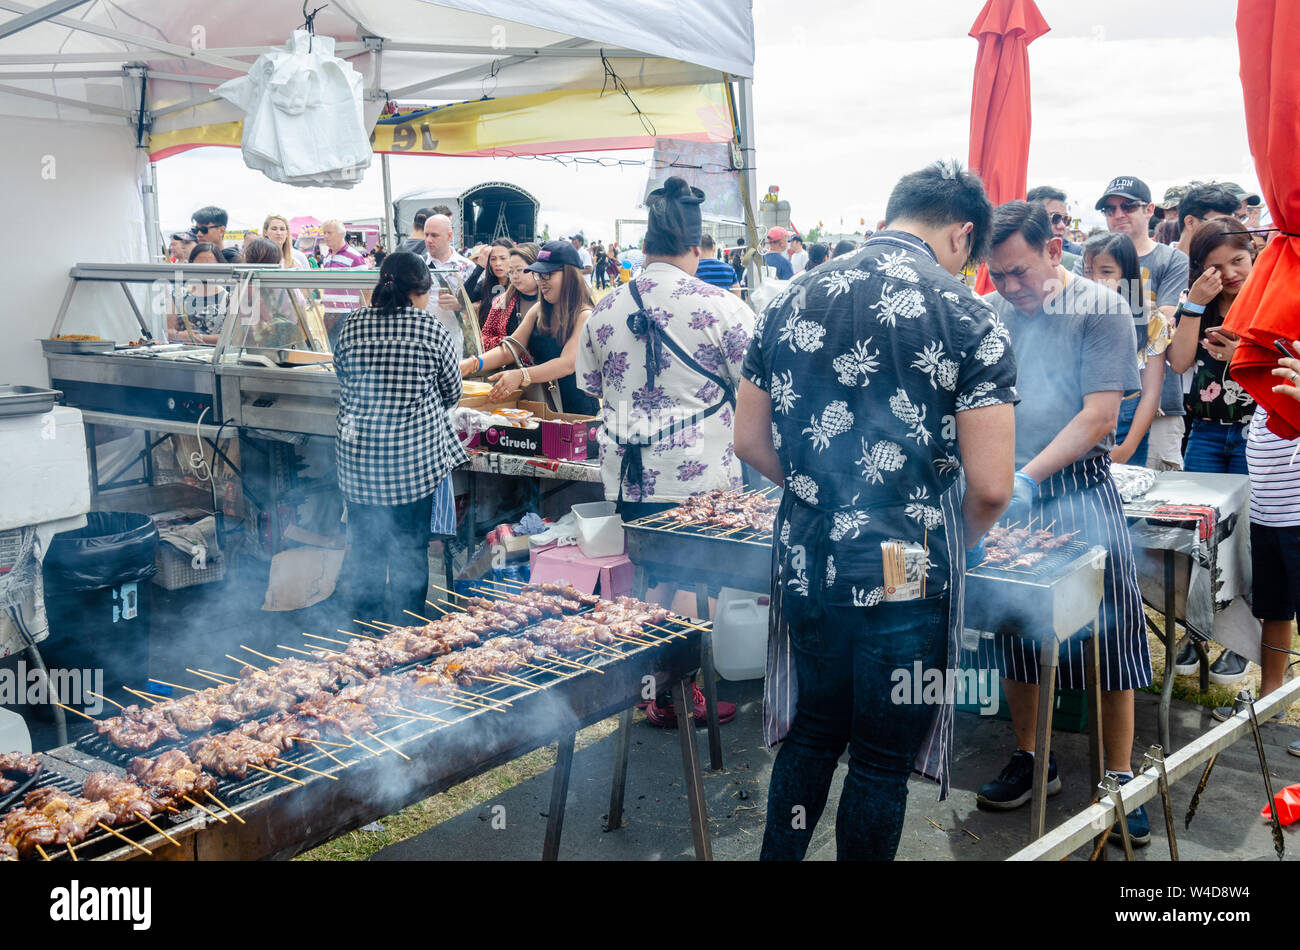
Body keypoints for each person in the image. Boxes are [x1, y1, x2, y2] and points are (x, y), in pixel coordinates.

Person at [736, 161, 1017, 860]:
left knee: (814, 731)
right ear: (962, 232)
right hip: (907, 559)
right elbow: (991, 488)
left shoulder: (787, 297)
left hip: (808, 554)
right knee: (881, 762)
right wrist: (963, 543)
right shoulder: (967, 314)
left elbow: (747, 440)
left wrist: (813, 491)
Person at [980, 200, 1149, 847]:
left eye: (1021, 271)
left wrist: (1031, 477)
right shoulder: (994, 315)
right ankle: (1032, 758)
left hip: (1079, 492)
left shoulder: (1102, 310)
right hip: (1011, 496)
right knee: (1018, 634)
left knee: (1111, 642)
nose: (1013, 287)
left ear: (1054, 250)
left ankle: (1119, 777)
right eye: (1000, 276)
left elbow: (1099, 416)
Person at [334, 250, 467, 623]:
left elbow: (343, 376)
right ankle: (408, 633)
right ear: (420, 291)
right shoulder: (430, 329)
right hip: (411, 467)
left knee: (365, 549)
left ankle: (364, 632)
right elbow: (451, 392)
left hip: (358, 463)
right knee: (409, 550)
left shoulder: (351, 324)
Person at [1077, 176, 1190, 473]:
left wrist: (1125, 449)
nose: (1118, 214)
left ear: (1149, 209)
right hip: (1088, 417)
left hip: (1153, 411)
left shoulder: (1172, 259)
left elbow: (1166, 316)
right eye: (1110, 209)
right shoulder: (1077, 315)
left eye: (1128, 206)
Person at [462, 240, 598, 416]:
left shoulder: (584, 315)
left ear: (570, 275)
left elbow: (567, 364)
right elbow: (509, 349)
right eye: (539, 275)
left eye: (547, 275)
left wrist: (521, 375)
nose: (542, 282)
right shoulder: (538, 310)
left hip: (577, 411)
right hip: (542, 405)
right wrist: (472, 364)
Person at [1079, 233, 1168, 466]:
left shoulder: (1151, 320)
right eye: (1088, 271)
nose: (1095, 280)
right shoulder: (1069, 314)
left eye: (1106, 272)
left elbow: (1150, 393)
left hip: (1128, 420)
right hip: (1079, 419)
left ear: (1126, 274)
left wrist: (1128, 447)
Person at [480, 243, 539, 352]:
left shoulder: (552, 299)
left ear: (537, 268)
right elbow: (485, 337)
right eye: (511, 271)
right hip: (509, 366)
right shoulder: (502, 301)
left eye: (520, 270)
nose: (515, 276)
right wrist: (510, 343)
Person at [167, 243, 228, 344]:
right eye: (199, 264)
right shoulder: (178, 295)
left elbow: (230, 337)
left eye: (210, 265)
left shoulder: (229, 298)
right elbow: (168, 330)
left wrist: (199, 338)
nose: (204, 269)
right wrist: (180, 336)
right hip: (182, 356)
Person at [319, 218, 368, 332]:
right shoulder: (327, 256)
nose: (325, 236)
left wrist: (362, 312)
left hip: (347, 313)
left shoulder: (355, 256)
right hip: (329, 312)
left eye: (329, 233)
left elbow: (366, 288)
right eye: (324, 233)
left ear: (341, 234)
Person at [1026, 185, 1082, 262]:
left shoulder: (1078, 255)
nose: (1062, 226)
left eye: (1066, 220)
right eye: (1055, 218)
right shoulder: (1015, 251)